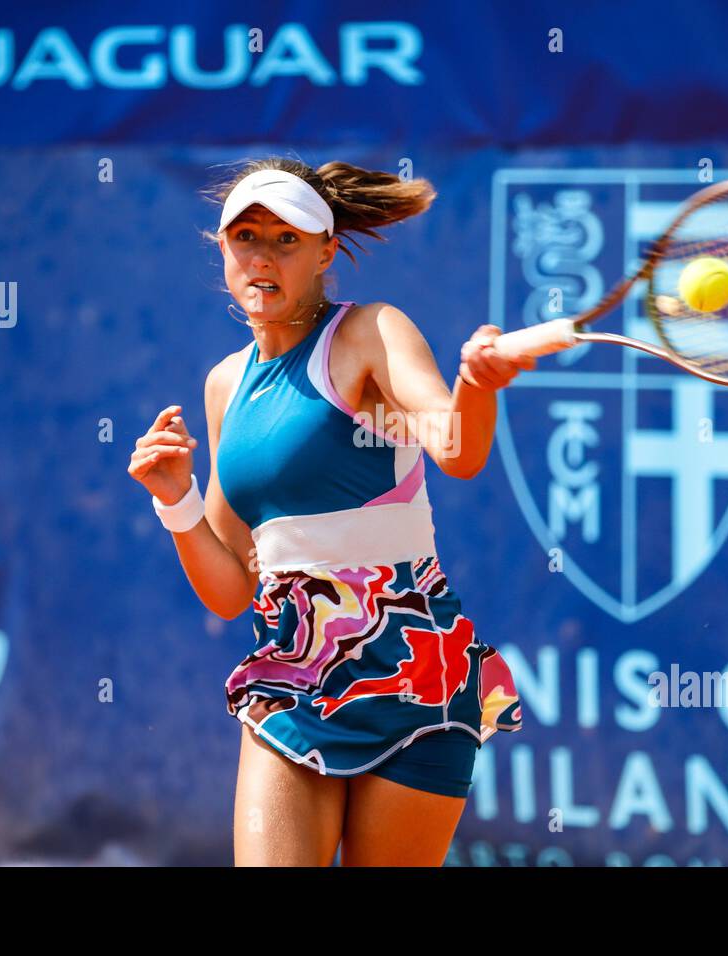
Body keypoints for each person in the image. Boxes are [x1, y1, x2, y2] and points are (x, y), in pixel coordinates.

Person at [128, 157, 531, 866]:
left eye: (287, 240)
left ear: (325, 251)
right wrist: (176, 500)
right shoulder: (225, 385)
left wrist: (477, 382)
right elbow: (229, 589)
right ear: (222, 249)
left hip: (415, 673)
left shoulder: (371, 332)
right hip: (292, 675)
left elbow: (458, 447)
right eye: (247, 236)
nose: (263, 256)